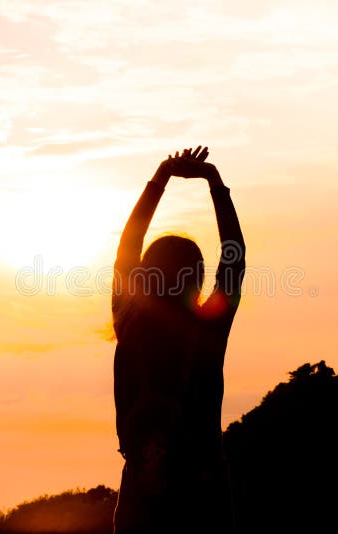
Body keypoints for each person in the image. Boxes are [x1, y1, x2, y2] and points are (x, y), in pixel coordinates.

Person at [112, 146, 246, 533]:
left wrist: (160, 179)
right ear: (197, 276)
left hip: (143, 486)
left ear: (145, 274)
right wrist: (214, 182)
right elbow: (234, 256)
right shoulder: (208, 328)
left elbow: (126, 249)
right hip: (203, 488)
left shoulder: (129, 321)